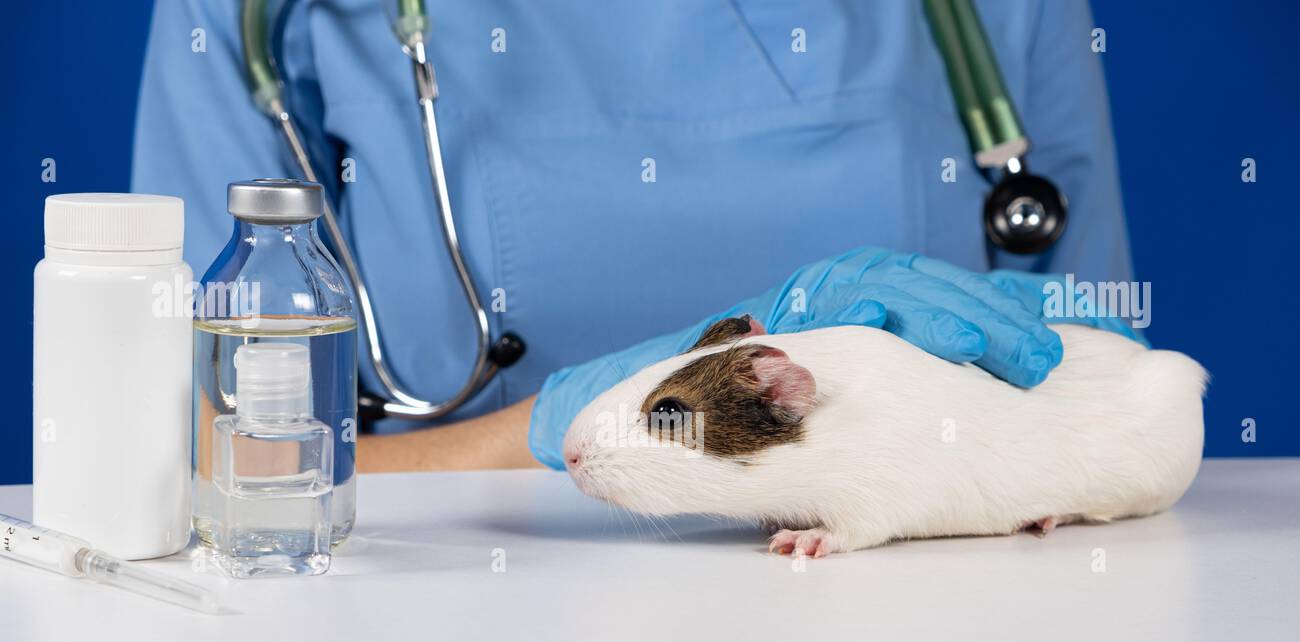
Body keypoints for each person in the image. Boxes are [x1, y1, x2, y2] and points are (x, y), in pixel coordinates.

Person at [132, 0, 1134, 473]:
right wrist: (577, 431)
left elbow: (1109, 403)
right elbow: (205, 464)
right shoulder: (254, 16)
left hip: (930, 641)